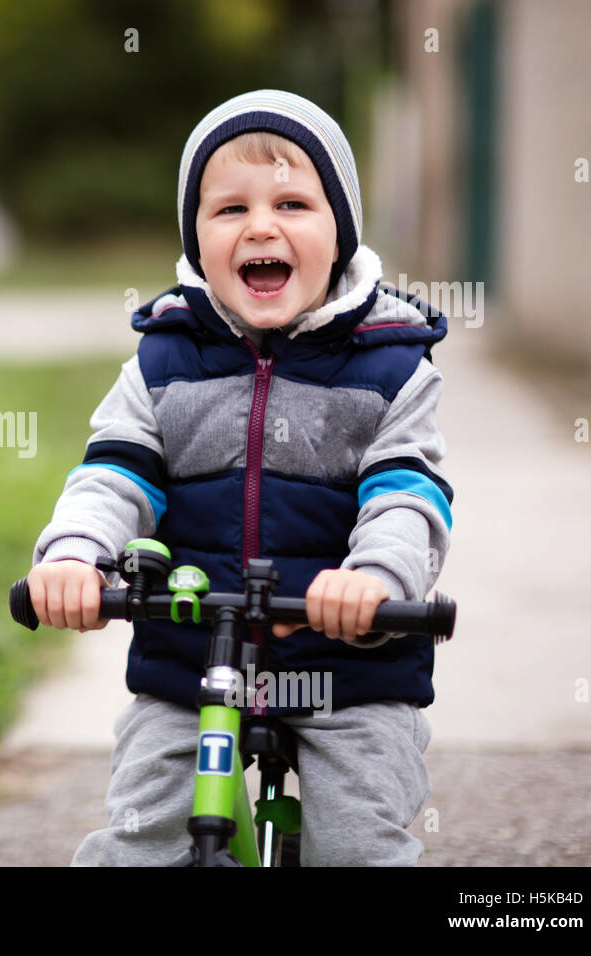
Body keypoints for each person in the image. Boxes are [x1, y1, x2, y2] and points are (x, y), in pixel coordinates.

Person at [26, 90, 453, 866]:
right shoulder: (163, 361)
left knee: (357, 844)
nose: (261, 225)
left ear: (341, 232)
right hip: (192, 664)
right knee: (142, 837)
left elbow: (407, 494)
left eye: (293, 202)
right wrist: (73, 555)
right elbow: (113, 473)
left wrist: (377, 580)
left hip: (343, 672)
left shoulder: (392, 368)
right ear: (195, 237)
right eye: (229, 210)